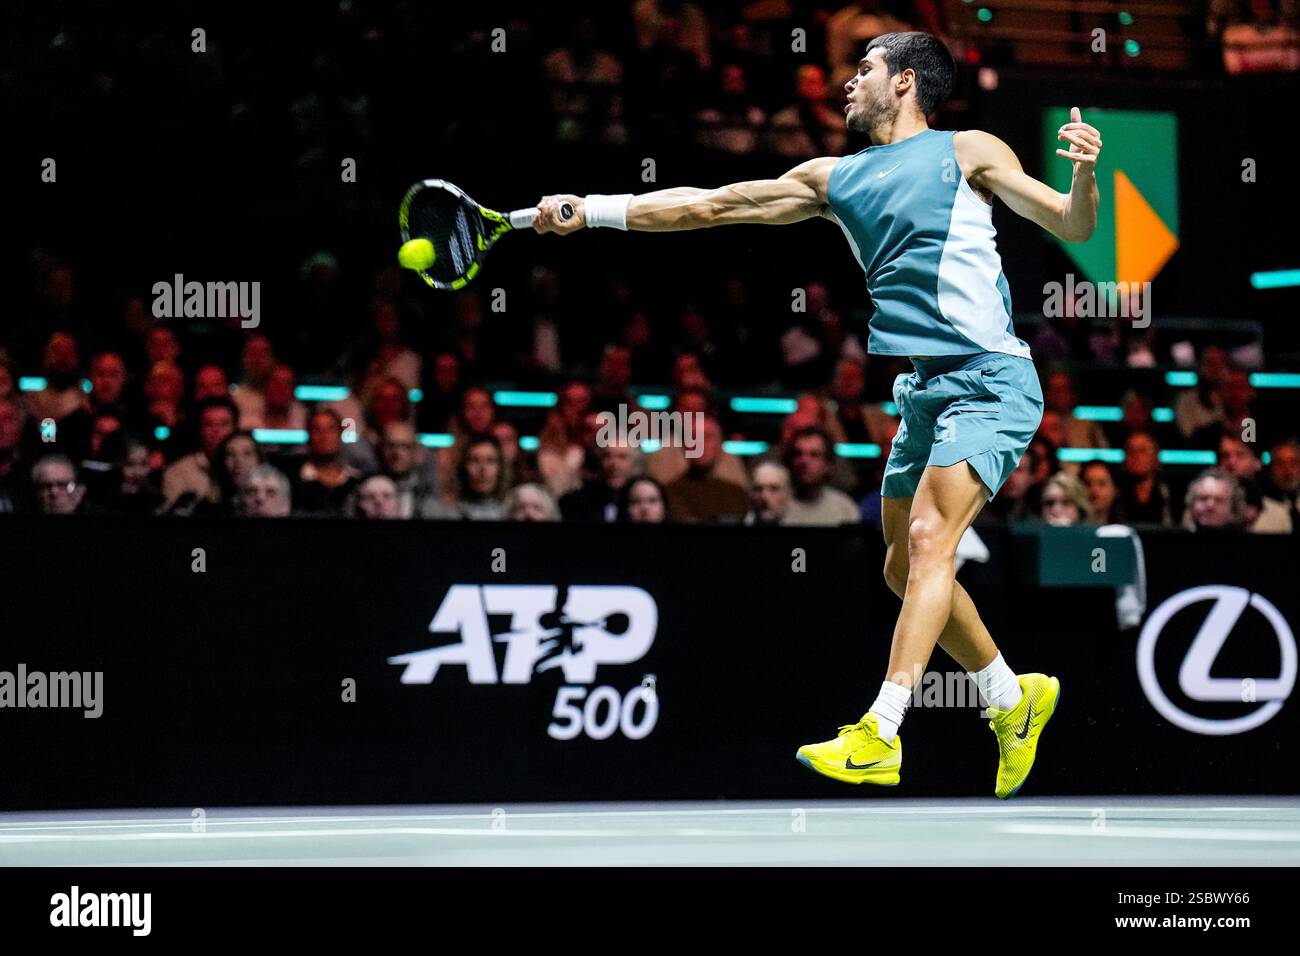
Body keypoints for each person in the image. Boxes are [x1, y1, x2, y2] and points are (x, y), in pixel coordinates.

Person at [530, 31, 1100, 796]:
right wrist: (592, 209)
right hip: (926, 389)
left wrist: (1087, 173)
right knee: (902, 567)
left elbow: (1072, 223)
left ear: (904, 82)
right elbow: (711, 206)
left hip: (992, 378)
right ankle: (1011, 697)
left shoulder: (968, 149)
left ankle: (881, 730)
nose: (845, 84)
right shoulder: (834, 178)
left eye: (862, 70)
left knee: (932, 541)